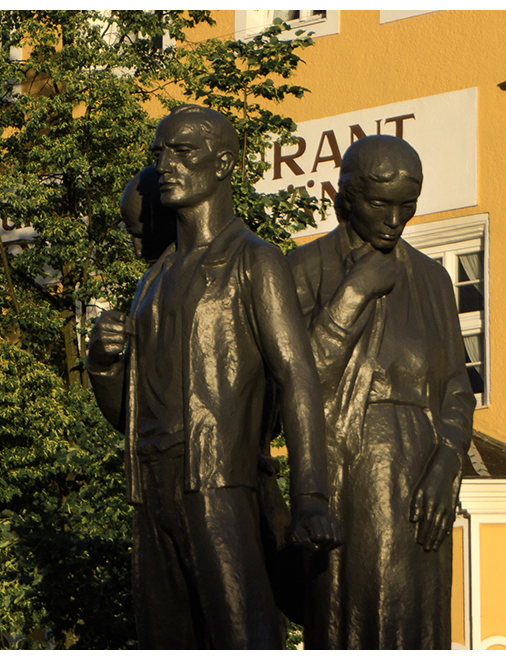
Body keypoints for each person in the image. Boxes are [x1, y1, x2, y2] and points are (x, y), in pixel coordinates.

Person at [87, 105, 341, 649]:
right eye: (161, 154)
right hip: (150, 484)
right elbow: (129, 415)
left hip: (219, 479)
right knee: (165, 637)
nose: (167, 166)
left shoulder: (255, 260)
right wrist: (104, 366)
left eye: (184, 152)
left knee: (242, 634)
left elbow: (297, 377)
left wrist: (311, 495)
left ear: (223, 163)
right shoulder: (152, 279)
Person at [288, 134, 475, 649]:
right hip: (342, 467)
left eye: (407, 207)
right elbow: (298, 379)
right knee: (349, 619)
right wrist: (354, 293)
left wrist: (446, 464)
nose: (395, 221)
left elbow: (457, 390)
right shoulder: (301, 269)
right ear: (343, 197)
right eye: (380, 205)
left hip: (420, 473)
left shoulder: (434, 281)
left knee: (417, 622)